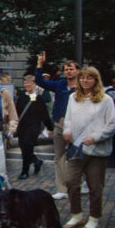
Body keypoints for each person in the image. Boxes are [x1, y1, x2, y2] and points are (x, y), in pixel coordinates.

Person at [61, 66, 115, 228]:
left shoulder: (105, 100)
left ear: (96, 80)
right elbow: (68, 119)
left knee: (95, 186)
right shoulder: (73, 97)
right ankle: (76, 214)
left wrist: (96, 137)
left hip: (96, 151)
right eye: (82, 77)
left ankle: (94, 218)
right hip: (76, 149)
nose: (85, 80)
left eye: (89, 78)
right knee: (71, 182)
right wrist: (67, 131)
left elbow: (111, 125)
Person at [35, 53, 79, 200]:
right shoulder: (60, 85)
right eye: (66, 69)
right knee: (59, 156)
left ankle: (81, 182)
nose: (69, 71)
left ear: (77, 71)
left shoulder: (82, 86)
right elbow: (40, 81)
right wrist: (40, 65)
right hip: (60, 122)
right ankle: (62, 188)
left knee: (79, 155)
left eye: (71, 69)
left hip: (78, 124)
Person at [15, 75, 53, 179]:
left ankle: (24, 171)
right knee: (24, 148)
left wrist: (50, 127)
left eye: (29, 82)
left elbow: (44, 114)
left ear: (34, 84)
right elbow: (17, 111)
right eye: (25, 83)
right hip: (22, 126)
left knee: (27, 145)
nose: (27, 84)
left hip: (33, 126)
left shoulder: (38, 98)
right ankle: (36, 160)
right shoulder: (22, 96)